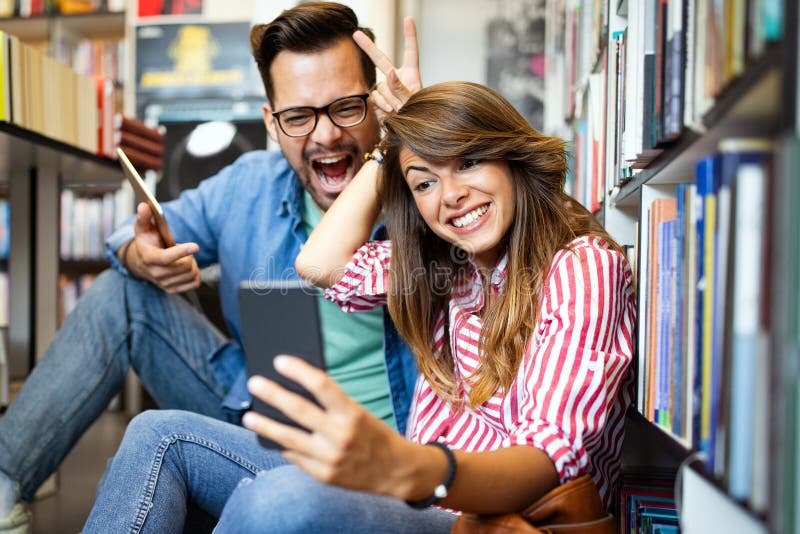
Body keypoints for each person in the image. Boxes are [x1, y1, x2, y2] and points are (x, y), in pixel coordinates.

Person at [84, 38, 635, 533]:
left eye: (469, 161)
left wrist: (413, 468)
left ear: (512, 158)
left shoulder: (582, 267)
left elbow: (550, 460)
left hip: (474, 513)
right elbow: (319, 264)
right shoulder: (447, 266)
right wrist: (388, 143)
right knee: (157, 434)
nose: (451, 196)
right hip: (412, 487)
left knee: (276, 500)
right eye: (424, 181)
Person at [0, 3, 419, 533]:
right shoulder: (249, 185)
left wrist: (425, 139)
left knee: (155, 438)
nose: (327, 135)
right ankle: (2, 486)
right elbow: (137, 231)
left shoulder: (428, 192)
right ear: (272, 122)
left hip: (386, 466)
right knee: (122, 290)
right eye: (298, 116)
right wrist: (142, 253)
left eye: (346, 108)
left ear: (379, 104)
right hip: (265, 434)